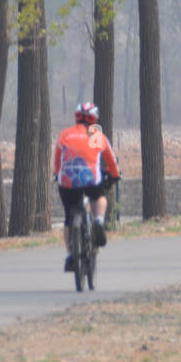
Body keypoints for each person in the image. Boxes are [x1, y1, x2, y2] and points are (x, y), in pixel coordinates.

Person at [53, 101, 120, 273]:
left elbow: (57, 160)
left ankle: (71, 255)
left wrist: (57, 174)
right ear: (94, 119)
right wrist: (114, 175)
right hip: (91, 178)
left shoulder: (65, 134)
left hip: (67, 180)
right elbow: (111, 160)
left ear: (76, 118)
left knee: (69, 217)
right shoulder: (96, 134)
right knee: (99, 198)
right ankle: (98, 221)